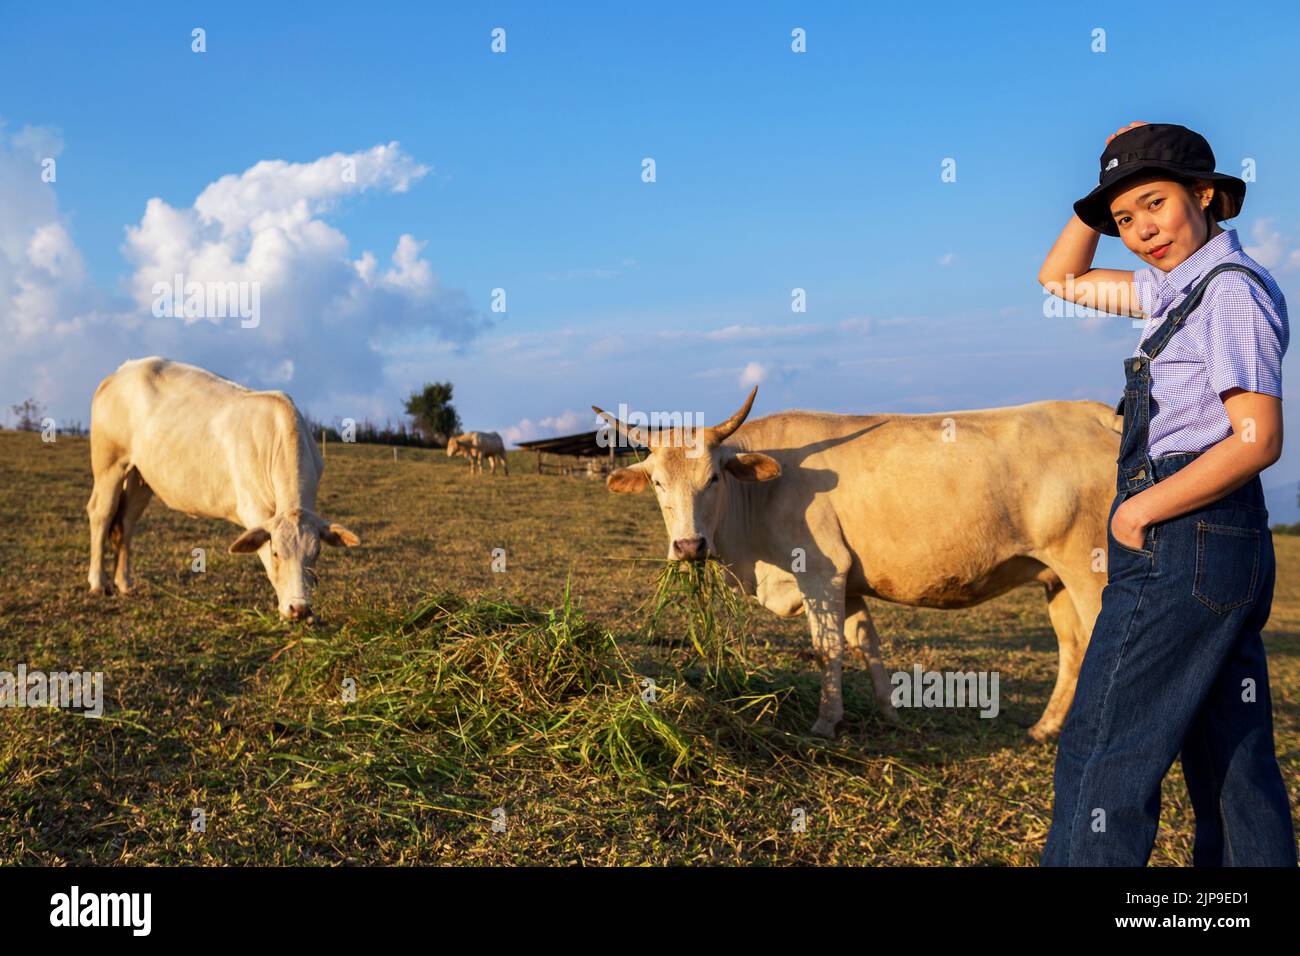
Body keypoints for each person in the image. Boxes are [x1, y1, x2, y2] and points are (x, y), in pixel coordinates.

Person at [1036, 121, 1297, 866]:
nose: (1141, 230)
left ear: (1206, 195)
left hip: (1187, 535)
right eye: (1122, 220)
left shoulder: (1230, 293)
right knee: (1231, 762)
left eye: (1155, 203)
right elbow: (1061, 280)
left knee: (1102, 749)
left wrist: (1140, 506)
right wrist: (1093, 204)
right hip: (1219, 542)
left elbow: (1257, 439)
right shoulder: (1171, 289)